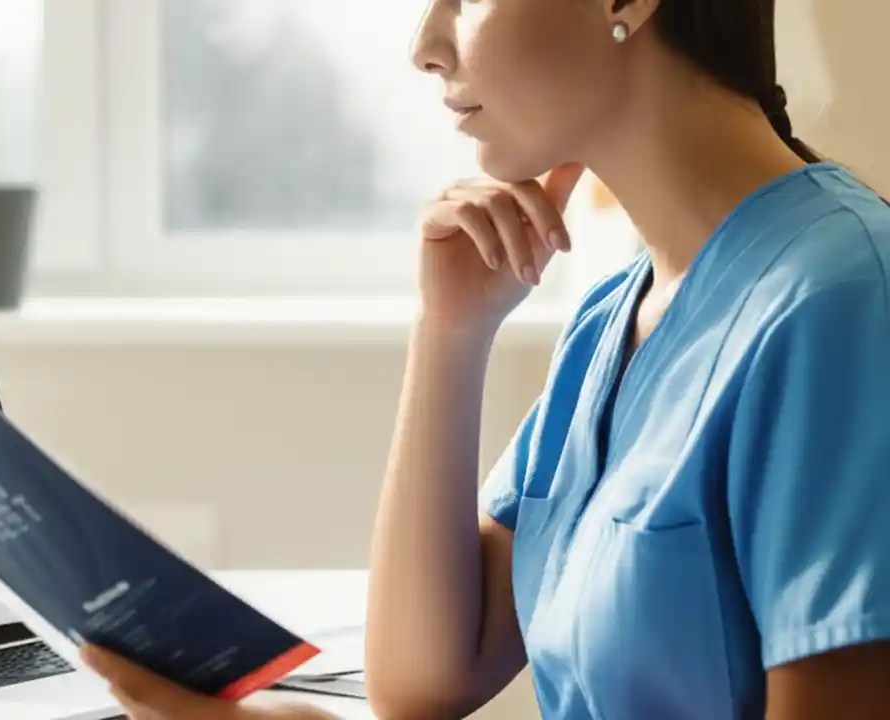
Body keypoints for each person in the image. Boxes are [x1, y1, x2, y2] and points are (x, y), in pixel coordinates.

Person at [81, 0, 890, 717]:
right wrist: (451, 333)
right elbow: (422, 681)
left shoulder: (842, 302)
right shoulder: (617, 316)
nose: (426, 45)